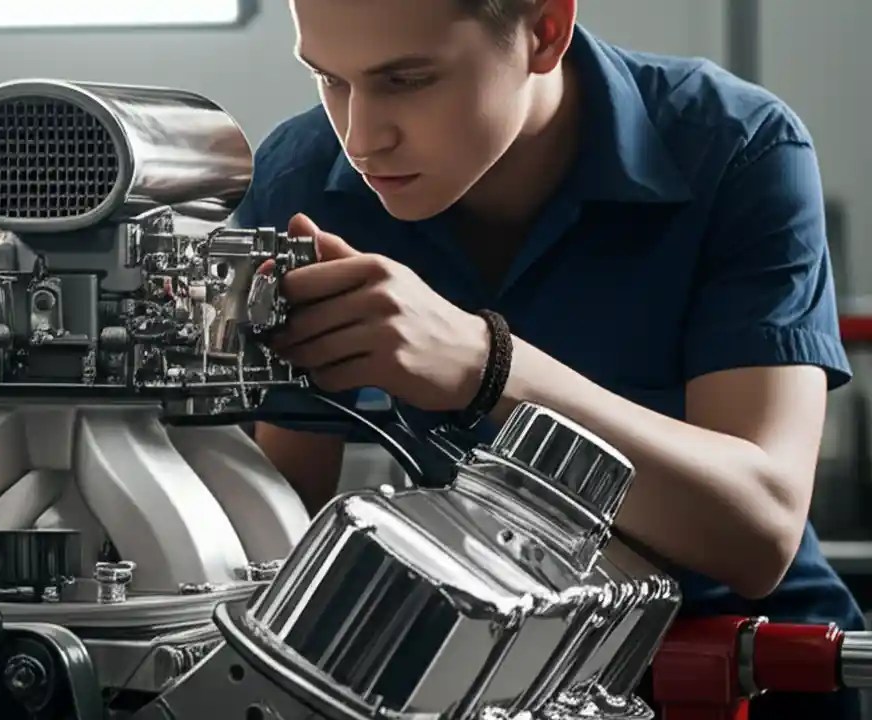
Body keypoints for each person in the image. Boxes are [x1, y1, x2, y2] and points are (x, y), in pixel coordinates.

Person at [232, 0, 863, 718]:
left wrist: (486, 365)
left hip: (745, 671)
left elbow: (759, 536)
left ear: (544, 31)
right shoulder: (302, 179)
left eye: (407, 80)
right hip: (473, 674)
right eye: (330, 79)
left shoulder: (737, 147)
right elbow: (280, 534)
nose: (361, 138)